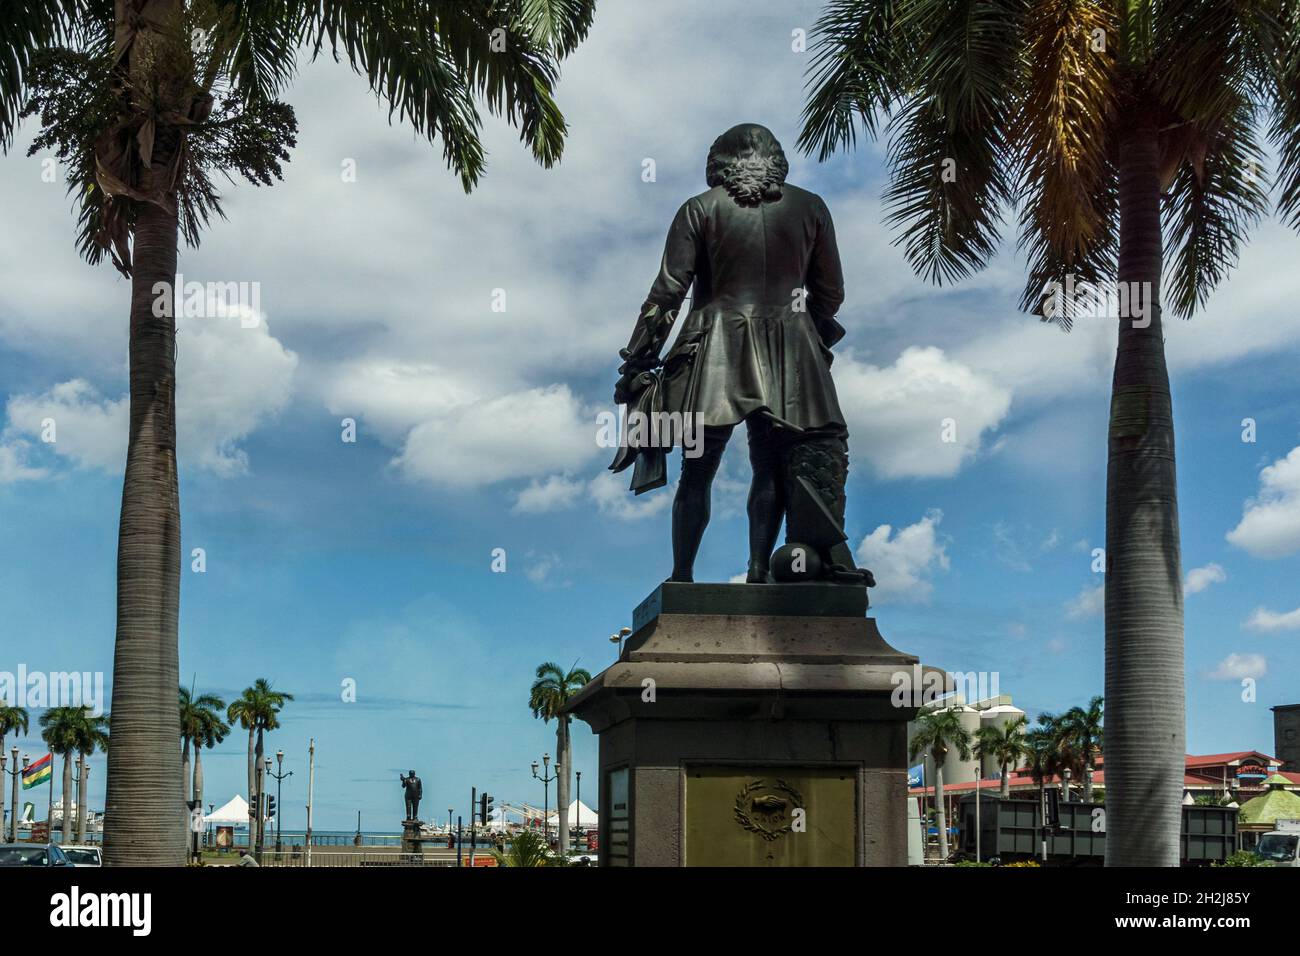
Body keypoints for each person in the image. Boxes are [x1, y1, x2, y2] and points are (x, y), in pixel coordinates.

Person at [614, 123, 851, 583]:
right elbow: (832, 292)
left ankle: (682, 576)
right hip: (790, 350)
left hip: (715, 346)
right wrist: (811, 333)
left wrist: (639, 359)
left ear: (719, 162)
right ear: (774, 158)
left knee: (698, 470)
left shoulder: (699, 209)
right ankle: (759, 569)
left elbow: (668, 291)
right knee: (771, 466)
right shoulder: (811, 208)